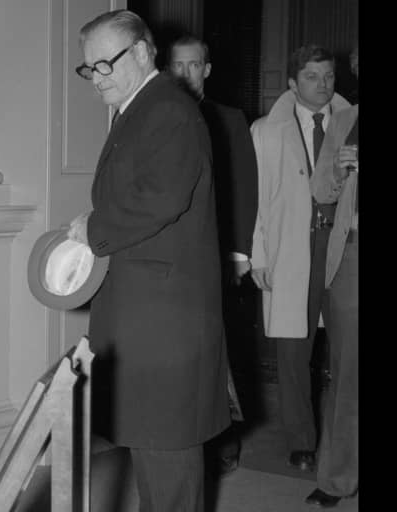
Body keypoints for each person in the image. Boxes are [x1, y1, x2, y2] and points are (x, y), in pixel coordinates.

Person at [67, 10, 229, 511]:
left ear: (142, 52)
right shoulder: (140, 109)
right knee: (153, 462)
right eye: (89, 69)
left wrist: (92, 228)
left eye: (105, 64)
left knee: (169, 468)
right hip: (146, 319)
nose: (97, 79)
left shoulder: (167, 111)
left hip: (165, 328)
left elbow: (160, 198)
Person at [249, 44, 350, 473]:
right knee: (293, 351)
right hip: (291, 247)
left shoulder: (353, 122)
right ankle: (302, 440)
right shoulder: (265, 131)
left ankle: (344, 447)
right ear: (292, 82)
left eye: (328, 76)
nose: (323, 85)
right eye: (311, 76)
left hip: (344, 248)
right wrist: (258, 256)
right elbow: (257, 198)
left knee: (347, 353)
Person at [168, 34, 259, 475]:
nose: (185, 73)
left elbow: (244, 186)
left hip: (218, 255)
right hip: (172, 260)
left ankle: (223, 439)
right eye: (178, 65)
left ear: (206, 69)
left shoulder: (229, 119)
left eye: (193, 65)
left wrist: (239, 253)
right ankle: (184, 438)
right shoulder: (158, 117)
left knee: (222, 350)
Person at [305, 46, 358, 509]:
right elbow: (320, 189)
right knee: (345, 373)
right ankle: (337, 478)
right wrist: (338, 171)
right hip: (353, 260)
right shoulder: (344, 119)